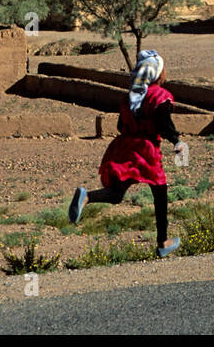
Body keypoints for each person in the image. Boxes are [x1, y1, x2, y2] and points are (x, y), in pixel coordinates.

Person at [68, 49, 183, 257]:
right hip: (146, 149)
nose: (166, 72)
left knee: (117, 192)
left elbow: (121, 125)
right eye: (164, 69)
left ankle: (87, 197)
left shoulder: (129, 97)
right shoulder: (160, 96)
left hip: (124, 145)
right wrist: (177, 141)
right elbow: (164, 124)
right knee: (160, 191)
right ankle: (163, 241)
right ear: (157, 73)